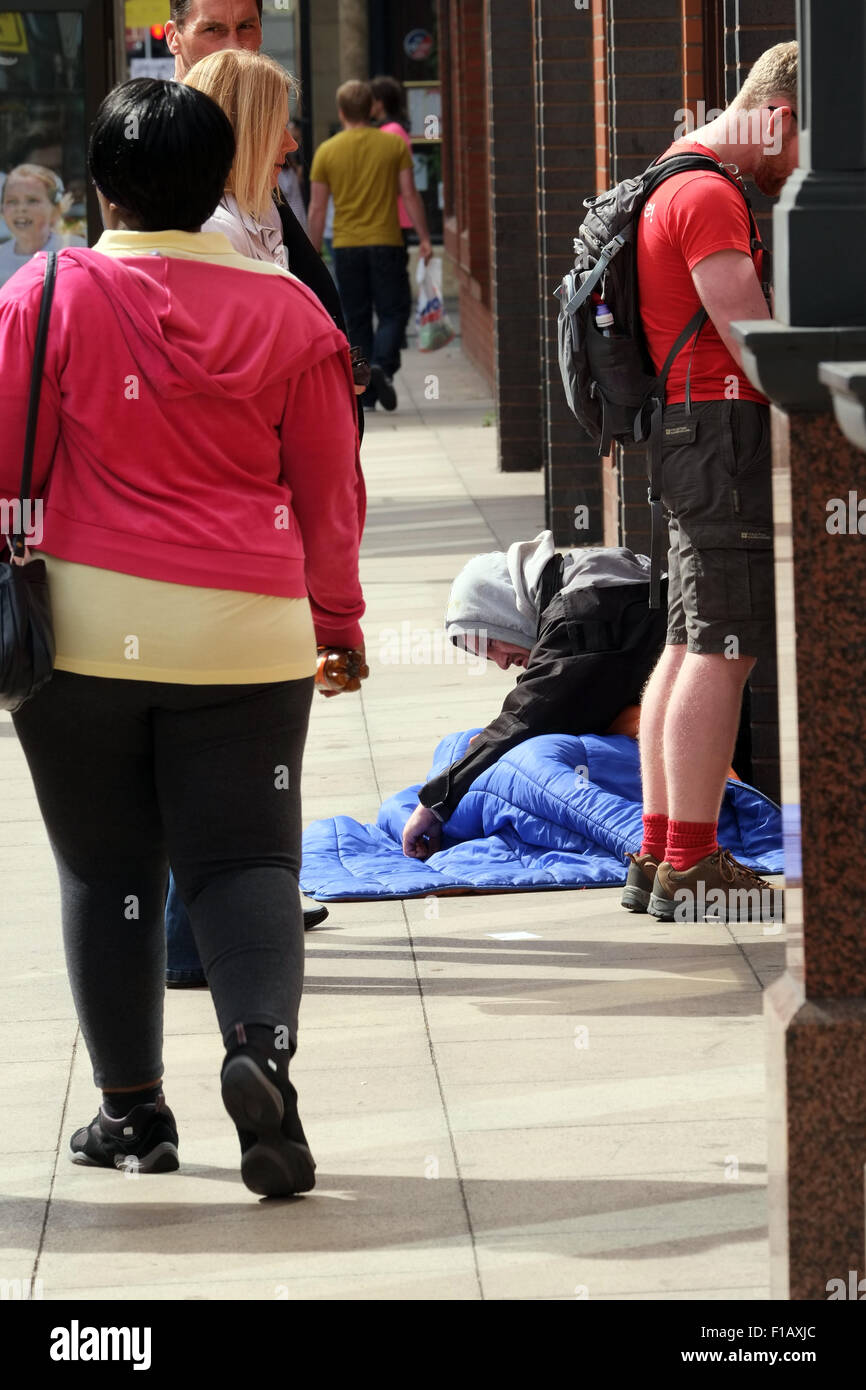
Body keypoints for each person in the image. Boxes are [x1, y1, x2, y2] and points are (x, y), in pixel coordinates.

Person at [0, 78, 365, 1196]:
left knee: (106, 868)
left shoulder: (41, 293)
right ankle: (259, 1049)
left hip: (83, 628)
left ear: (100, 185)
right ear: (222, 184)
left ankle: (134, 1115)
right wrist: (337, 621)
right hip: (247, 635)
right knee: (247, 858)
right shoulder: (293, 312)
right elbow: (328, 494)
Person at [624, 41, 799, 923]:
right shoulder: (708, 194)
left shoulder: (674, 171)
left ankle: (661, 848)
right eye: (804, 144)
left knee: (691, 642)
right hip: (718, 430)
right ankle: (691, 864)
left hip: (686, 431)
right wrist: (811, 399)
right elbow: (749, 336)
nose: (799, 168)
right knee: (725, 650)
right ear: (779, 115)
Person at [401, 533, 668, 859]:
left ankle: (653, 852)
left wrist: (436, 802)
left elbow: (525, 716)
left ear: (501, 608)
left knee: (517, 757)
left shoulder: (582, 611)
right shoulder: (594, 579)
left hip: (684, 786)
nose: (500, 662)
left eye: (490, 644)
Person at [308, 80, 433, 413]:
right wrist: (423, 237)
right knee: (394, 312)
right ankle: (382, 367)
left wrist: (312, 252)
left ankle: (366, 388)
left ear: (341, 111)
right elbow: (409, 194)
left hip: (346, 246)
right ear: (370, 108)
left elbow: (318, 208)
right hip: (386, 241)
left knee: (356, 316)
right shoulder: (392, 145)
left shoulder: (326, 151)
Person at [183, 49, 295, 267]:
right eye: (276, 129)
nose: (291, 144)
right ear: (238, 134)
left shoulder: (262, 210)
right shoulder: (214, 229)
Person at [0, 165, 85, 288]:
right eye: (12, 201)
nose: (21, 208)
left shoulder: (75, 249)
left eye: (32, 200)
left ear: (55, 208)